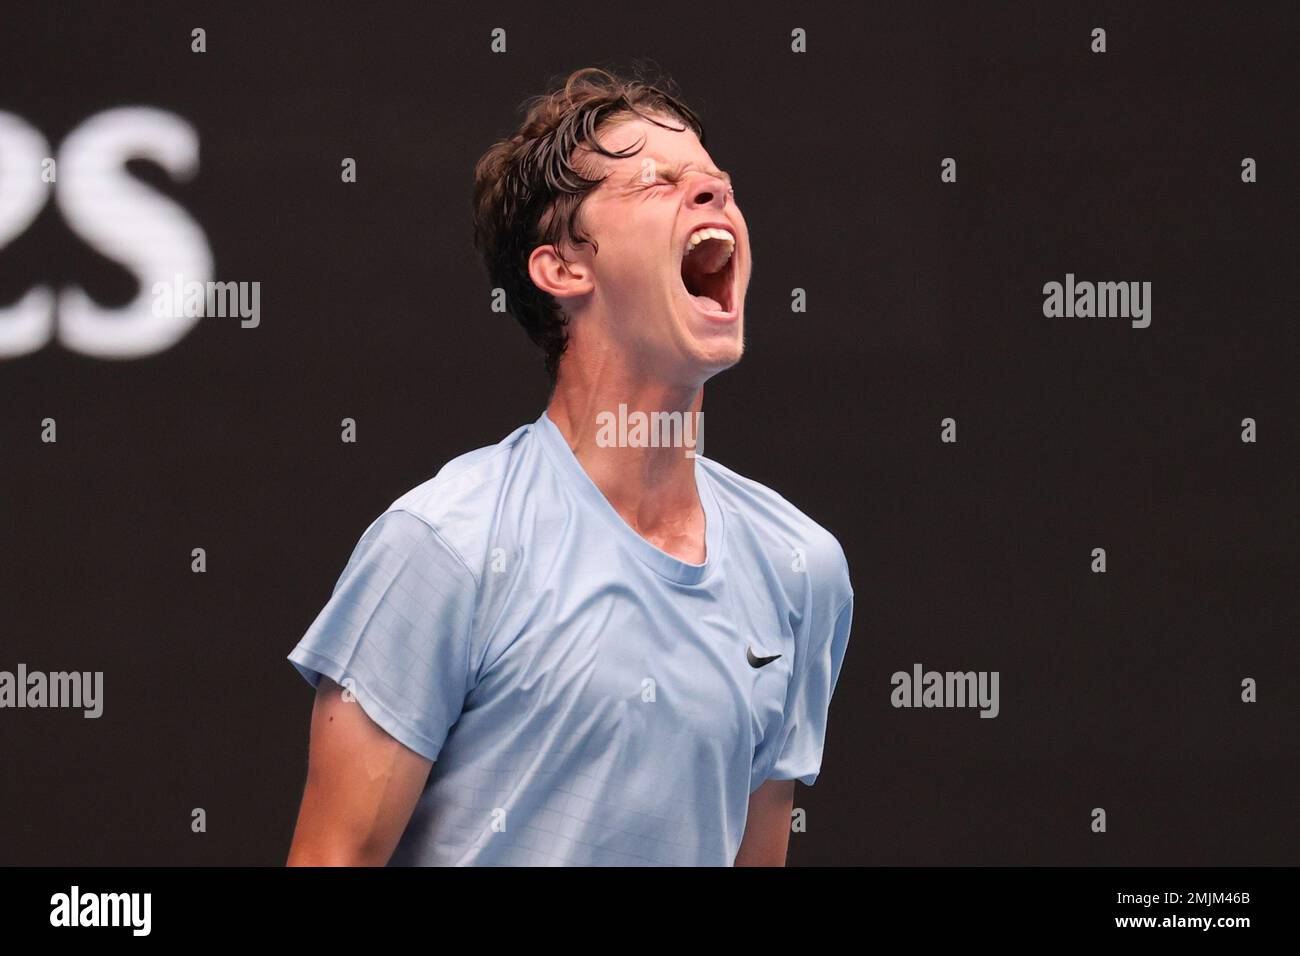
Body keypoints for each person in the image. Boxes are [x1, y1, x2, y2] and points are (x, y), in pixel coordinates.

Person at [285, 66, 853, 866]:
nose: (712, 194)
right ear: (562, 268)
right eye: (656, 181)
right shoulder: (442, 545)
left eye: (716, 182)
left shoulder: (801, 570)